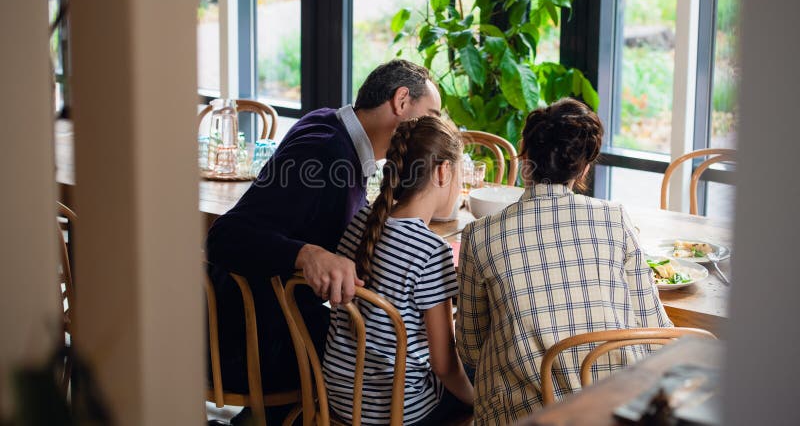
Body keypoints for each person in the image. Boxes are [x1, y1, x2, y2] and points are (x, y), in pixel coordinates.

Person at [205, 59, 441, 400]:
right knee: (402, 359)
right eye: (430, 117)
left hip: (267, 321)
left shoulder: (330, 123)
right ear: (401, 101)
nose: (432, 129)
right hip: (248, 341)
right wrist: (307, 254)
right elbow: (224, 237)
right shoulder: (325, 152)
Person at [456, 98, 672, 425]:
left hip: (522, 417)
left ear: (524, 155)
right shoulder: (615, 219)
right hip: (609, 411)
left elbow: (470, 349)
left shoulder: (480, 235)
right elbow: (653, 329)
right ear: (583, 167)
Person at [323, 117, 473, 425]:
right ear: (443, 172)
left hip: (338, 400)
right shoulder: (432, 251)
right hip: (396, 413)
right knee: (478, 369)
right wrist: (479, 399)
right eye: (460, 175)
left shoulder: (361, 220)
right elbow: (444, 366)